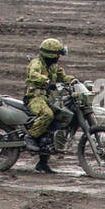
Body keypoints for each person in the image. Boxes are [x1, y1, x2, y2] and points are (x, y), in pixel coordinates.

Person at [23, 38, 76, 173]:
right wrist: (46, 81)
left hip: (46, 98)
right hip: (34, 97)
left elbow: (63, 77)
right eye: (57, 54)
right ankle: (31, 136)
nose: (59, 57)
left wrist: (74, 81)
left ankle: (43, 162)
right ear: (50, 54)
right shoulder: (36, 63)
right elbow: (33, 74)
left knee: (56, 122)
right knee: (47, 114)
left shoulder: (54, 67)